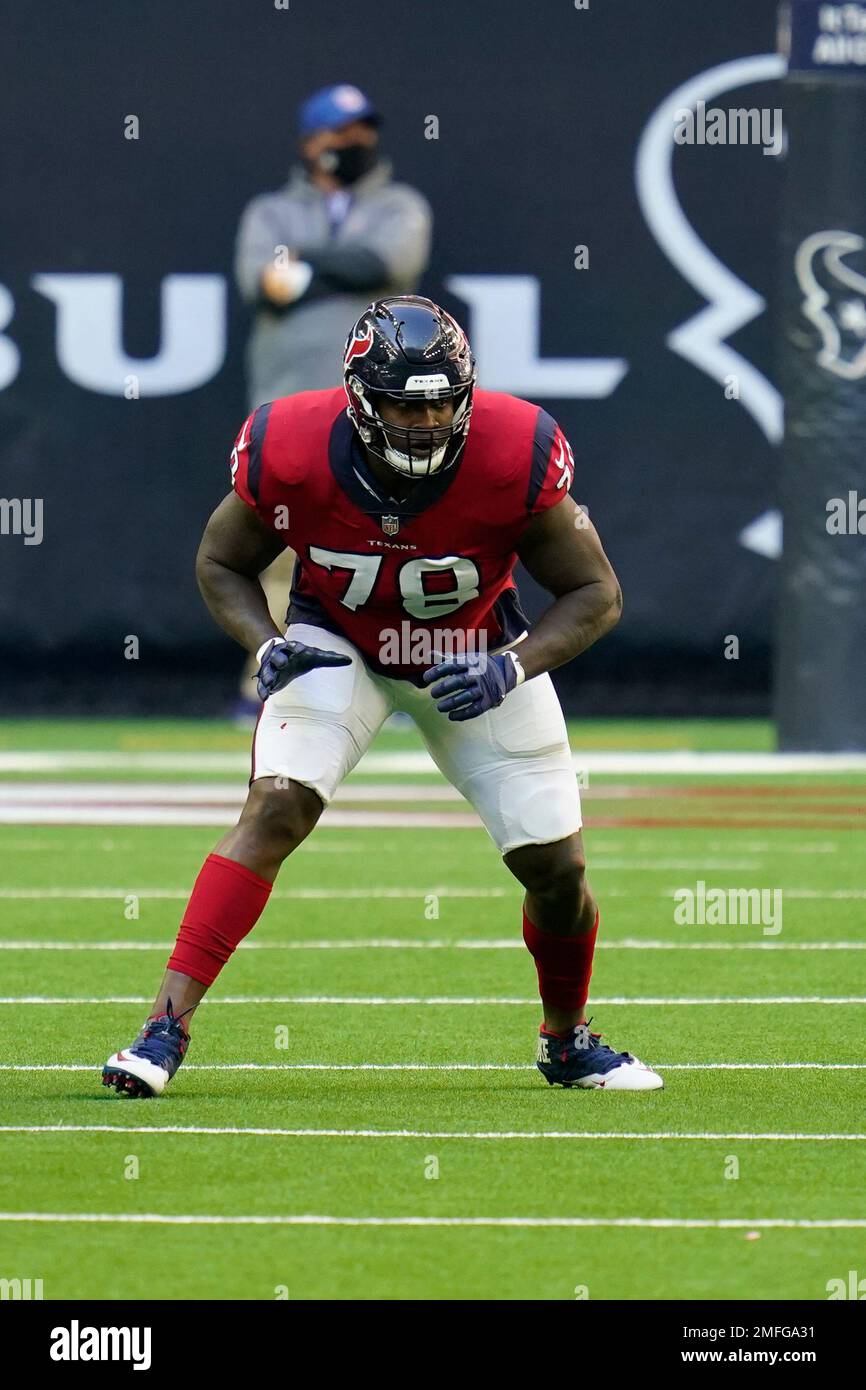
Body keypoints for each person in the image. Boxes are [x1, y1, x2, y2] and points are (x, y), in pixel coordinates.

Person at [103, 296, 663, 1096]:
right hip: (338, 644)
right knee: (274, 808)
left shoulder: (515, 448)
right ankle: (163, 1029)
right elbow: (221, 561)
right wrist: (263, 643)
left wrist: (514, 664)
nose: (427, 420)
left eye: (442, 400)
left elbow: (596, 593)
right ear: (361, 399)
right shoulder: (289, 445)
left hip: (471, 654)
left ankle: (566, 1041)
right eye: (406, 402)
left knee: (557, 866)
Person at [232, 84, 433, 718]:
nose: (354, 145)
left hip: (377, 407)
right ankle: (269, 677)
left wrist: (306, 267)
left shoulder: (398, 203)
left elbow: (386, 261)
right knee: (280, 542)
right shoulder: (270, 211)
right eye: (340, 134)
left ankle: (397, 682)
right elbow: (260, 282)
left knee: (391, 540)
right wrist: (325, 270)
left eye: (362, 132)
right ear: (311, 142)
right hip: (291, 402)